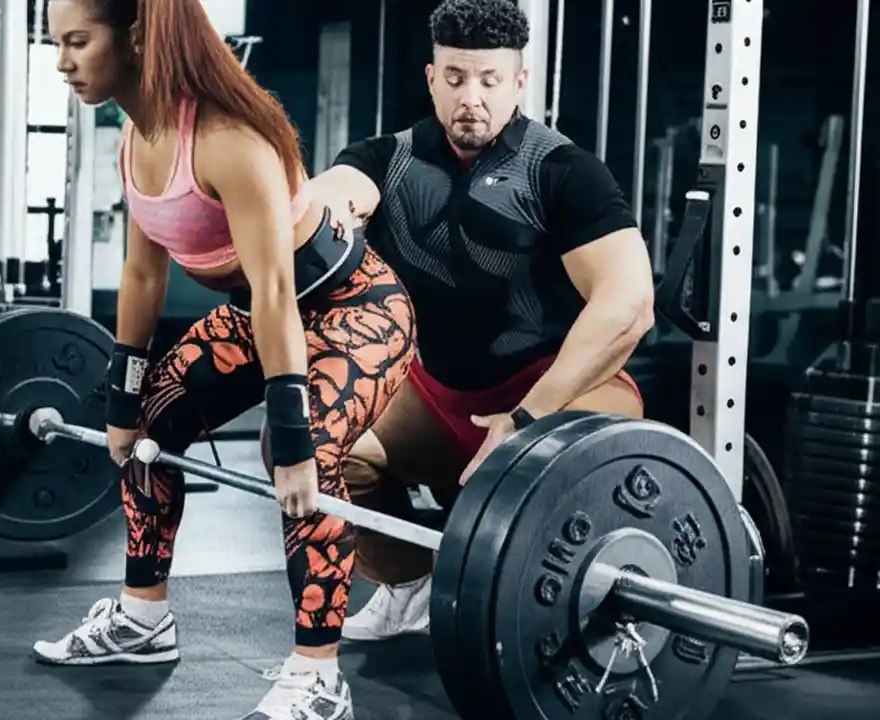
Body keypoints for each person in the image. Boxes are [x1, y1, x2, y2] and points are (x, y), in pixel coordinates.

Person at [34, 1, 417, 717]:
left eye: (77, 42)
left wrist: (297, 443)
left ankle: (319, 676)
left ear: (136, 36)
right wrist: (123, 402)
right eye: (57, 44)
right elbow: (144, 275)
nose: (62, 62)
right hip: (259, 313)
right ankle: (144, 619)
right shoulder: (136, 136)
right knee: (152, 431)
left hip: (355, 308)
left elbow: (277, 287)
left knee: (312, 460)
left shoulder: (228, 139)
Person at [304, 0, 656, 641]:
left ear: (520, 83)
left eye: (490, 81)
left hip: (558, 396)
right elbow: (336, 192)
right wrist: (315, 212)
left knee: (532, 498)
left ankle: (540, 608)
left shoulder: (563, 172)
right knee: (315, 433)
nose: (473, 98)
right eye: (458, 78)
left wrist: (525, 419)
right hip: (438, 400)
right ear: (433, 78)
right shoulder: (388, 159)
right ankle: (408, 587)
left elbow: (629, 304)